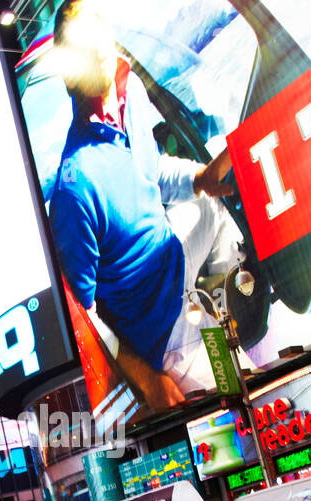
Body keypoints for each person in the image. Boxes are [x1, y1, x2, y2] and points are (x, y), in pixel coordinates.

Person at [47, 0, 241, 412]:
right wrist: (144, 376)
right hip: (163, 331)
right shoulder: (75, 187)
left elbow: (151, 170)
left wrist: (199, 179)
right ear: (68, 71)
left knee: (214, 208)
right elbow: (83, 315)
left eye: (98, 32)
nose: (98, 48)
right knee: (243, 396)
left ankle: (227, 313)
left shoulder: (129, 91)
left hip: (174, 260)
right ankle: (218, 354)